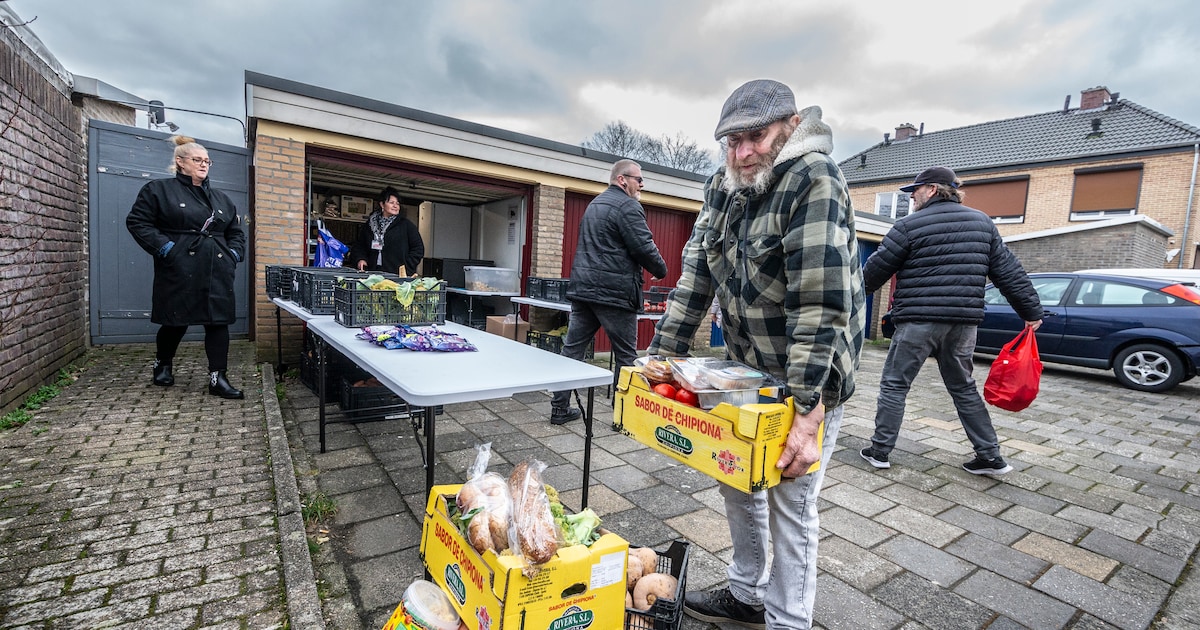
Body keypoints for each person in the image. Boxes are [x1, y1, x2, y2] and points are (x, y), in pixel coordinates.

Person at [648, 80, 865, 629]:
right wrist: (658, 357)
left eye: (755, 138)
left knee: (791, 497)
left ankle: (788, 620)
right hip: (749, 369)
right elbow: (696, 274)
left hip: (813, 370)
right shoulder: (721, 186)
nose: (743, 153)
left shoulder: (814, 180)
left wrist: (807, 407)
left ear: (790, 127)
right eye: (731, 141)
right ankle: (747, 593)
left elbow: (820, 301)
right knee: (736, 475)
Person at [859, 166, 1043, 476]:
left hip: (919, 320)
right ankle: (990, 456)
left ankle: (880, 450)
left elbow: (874, 271)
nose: (912, 198)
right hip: (963, 324)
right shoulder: (983, 224)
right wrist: (1031, 311)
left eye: (914, 191)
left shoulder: (909, 226)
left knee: (894, 385)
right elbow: (1009, 271)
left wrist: (846, 298)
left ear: (931, 189)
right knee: (963, 388)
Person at [126, 135, 247, 399]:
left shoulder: (221, 199)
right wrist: (168, 249)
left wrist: (234, 254)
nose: (204, 165)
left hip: (216, 267)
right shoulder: (158, 190)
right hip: (179, 266)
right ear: (180, 162)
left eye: (207, 161)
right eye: (197, 160)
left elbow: (235, 232)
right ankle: (163, 363)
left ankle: (218, 377)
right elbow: (138, 222)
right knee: (175, 321)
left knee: (218, 322)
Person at [548, 159, 667, 425]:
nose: (642, 184)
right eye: (638, 179)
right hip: (614, 294)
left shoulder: (595, 204)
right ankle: (622, 416)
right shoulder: (628, 206)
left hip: (584, 290)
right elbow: (643, 246)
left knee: (572, 350)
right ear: (622, 179)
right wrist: (661, 270)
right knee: (625, 356)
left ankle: (559, 408)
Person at [350, 186, 424, 276]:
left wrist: (406, 267)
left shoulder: (406, 225)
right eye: (391, 202)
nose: (395, 206)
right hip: (372, 272)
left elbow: (418, 249)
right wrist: (360, 259)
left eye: (397, 203)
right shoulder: (369, 224)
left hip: (397, 275)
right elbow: (359, 246)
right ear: (382, 204)